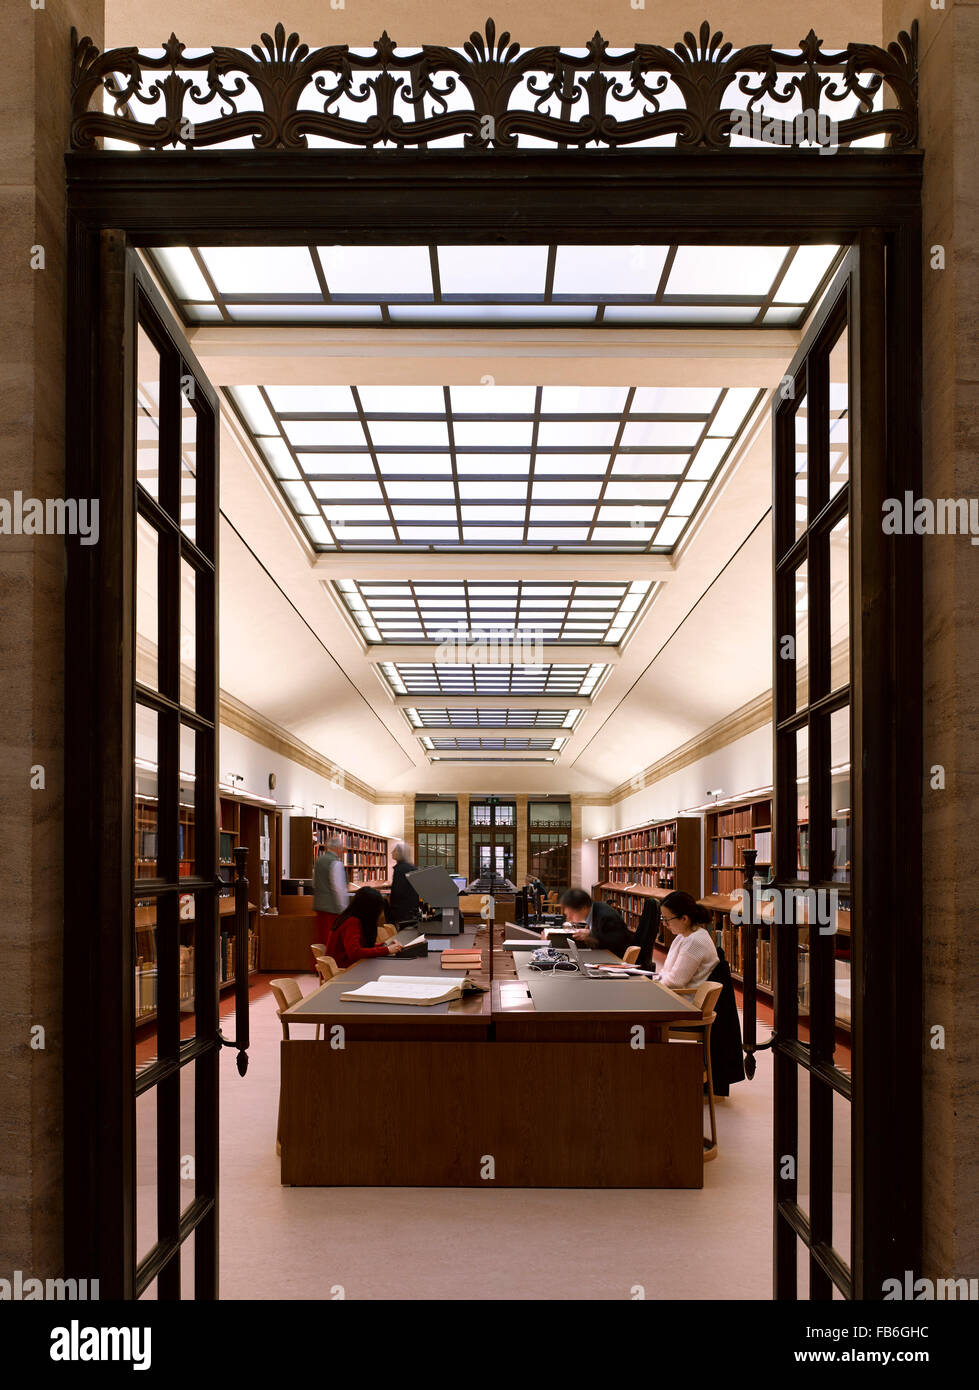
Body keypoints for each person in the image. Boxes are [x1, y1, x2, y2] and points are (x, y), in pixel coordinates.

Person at [324, 887, 403, 969]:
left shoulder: (349, 917)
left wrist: (384, 946)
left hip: (348, 968)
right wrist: (387, 950)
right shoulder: (351, 922)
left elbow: (361, 946)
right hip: (345, 971)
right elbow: (355, 953)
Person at [657, 891, 719, 988]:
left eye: (666, 920)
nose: (664, 924)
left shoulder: (695, 941)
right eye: (662, 919)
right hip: (673, 994)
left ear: (684, 919)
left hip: (683, 999)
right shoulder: (681, 936)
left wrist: (652, 985)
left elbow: (675, 982)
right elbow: (666, 972)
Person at [559, 887, 634, 957]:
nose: (569, 918)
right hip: (603, 955)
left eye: (571, 914)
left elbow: (616, 942)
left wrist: (591, 935)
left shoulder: (606, 916)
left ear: (583, 908)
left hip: (615, 958)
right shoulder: (593, 909)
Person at [312, 836, 349, 939]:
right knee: (332, 941)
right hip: (332, 909)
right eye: (341, 848)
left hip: (319, 906)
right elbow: (338, 888)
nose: (342, 851)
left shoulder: (319, 860)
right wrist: (344, 909)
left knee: (322, 938)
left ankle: (321, 956)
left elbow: (314, 883)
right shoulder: (335, 862)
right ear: (337, 848)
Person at [388, 841, 420, 925]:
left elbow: (398, 892)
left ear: (400, 853)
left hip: (401, 911)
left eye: (394, 850)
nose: (392, 852)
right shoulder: (412, 867)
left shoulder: (400, 869)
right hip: (412, 909)